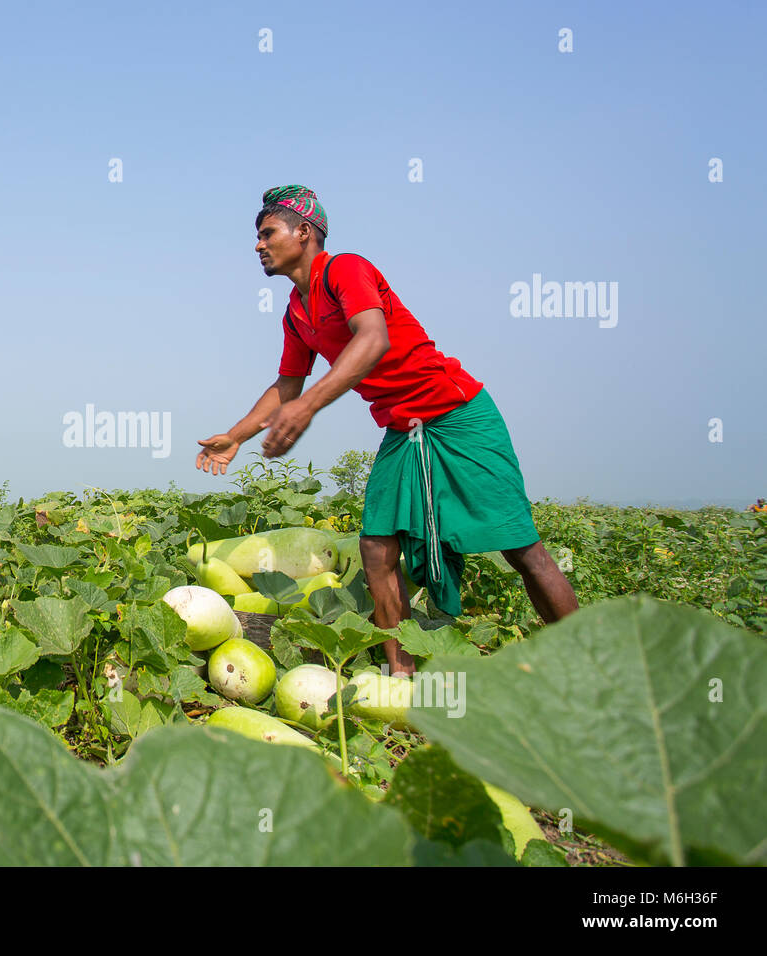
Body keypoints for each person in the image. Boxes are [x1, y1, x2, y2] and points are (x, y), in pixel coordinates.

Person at [196, 185, 577, 674]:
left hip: (458, 414)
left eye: (267, 233)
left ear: (303, 232)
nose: (258, 245)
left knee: (521, 548)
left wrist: (310, 406)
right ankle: (401, 670)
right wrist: (237, 435)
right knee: (377, 548)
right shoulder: (296, 310)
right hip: (404, 429)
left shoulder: (346, 270)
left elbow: (372, 339)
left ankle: (581, 659)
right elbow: (288, 384)